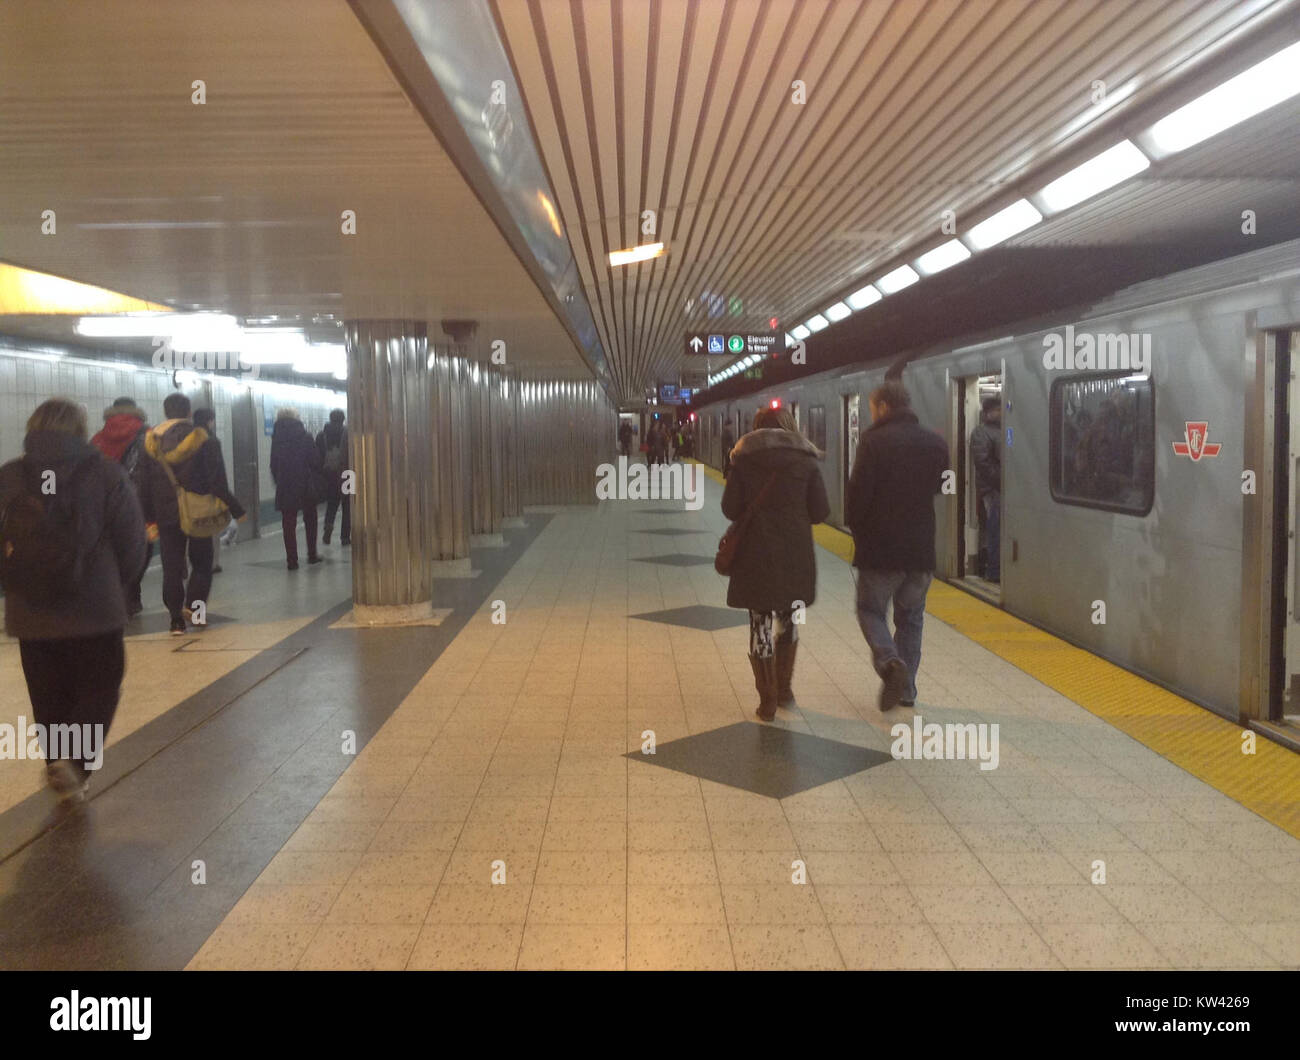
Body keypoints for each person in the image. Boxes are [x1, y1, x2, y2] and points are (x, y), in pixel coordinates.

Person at [0, 398, 147, 802]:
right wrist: (119, 588)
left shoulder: (9, 476)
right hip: (94, 611)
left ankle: (59, 766)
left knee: (48, 694)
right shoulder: (104, 473)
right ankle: (76, 767)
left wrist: (13, 585)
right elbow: (133, 542)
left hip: (31, 613)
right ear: (81, 431)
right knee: (99, 687)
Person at [846, 380, 949, 712]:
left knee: (870, 610)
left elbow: (858, 497)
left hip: (881, 549)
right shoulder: (935, 443)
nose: (871, 413)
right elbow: (940, 487)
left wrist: (858, 531)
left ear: (884, 407)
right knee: (912, 617)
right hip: (921, 549)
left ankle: (890, 662)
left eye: (872, 407)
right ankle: (907, 691)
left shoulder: (873, 442)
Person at [721, 407, 830, 722]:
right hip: (795, 558)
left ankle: (766, 700)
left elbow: (730, 509)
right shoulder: (807, 461)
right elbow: (821, 512)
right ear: (790, 427)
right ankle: (785, 690)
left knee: (760, 625)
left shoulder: (743, 460)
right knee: (790, 621)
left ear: (755, 429)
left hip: (754, 557)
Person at [141, 392, 245, 635]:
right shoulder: (206, 440)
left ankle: (176, 621)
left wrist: (148, 518)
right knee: (201, 564)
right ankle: (196, 613)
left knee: (172, 567)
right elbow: (217, 481)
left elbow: (143, 485)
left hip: (165, 512)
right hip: (198, 511)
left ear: (166, 411)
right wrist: (236, 508)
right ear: (188, 412)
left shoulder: (150, 442)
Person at [90, 396, 152, 615]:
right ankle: (130, 595)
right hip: (140, 505)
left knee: (112, 550)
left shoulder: (97, 438)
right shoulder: (147, 435)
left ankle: (118, 596)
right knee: (140, 549)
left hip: (103, 506)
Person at [270, 407, 324, 570]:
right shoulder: (305, 436)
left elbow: (273, 464)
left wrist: (279, 479)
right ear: (296, 419)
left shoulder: (276, 439)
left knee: (288, 523)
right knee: (311, 519)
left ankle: (291, 561)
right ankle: (312, 554)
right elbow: (316, 461)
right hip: (305, 483)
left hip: (285, 484)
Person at [191, 409, 230, 573]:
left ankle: (194, 562)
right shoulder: (212, 440)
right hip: (209, 492)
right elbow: (217, 469)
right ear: (209, 421)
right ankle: (213, 563)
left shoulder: (187, 440)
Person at [969, 396, 1001, 583]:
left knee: (998, 528)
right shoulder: (981, 433)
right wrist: (1002, 481)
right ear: (988, 412)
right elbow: (983, 463)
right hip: (990, 489)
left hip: (1000, 488)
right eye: (998, 409)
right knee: (994, 528)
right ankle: (994, 570)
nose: (1001, 412)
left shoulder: (1005, 430)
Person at [315, 408, 351, 546]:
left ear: (330, 418)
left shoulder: (321, 435)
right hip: (348, 473)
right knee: (348, 506)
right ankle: (345, 537)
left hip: (329, 474)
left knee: (332, 503)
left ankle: (328, 525)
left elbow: (317, 458)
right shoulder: (348, 433)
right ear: (343, 419)